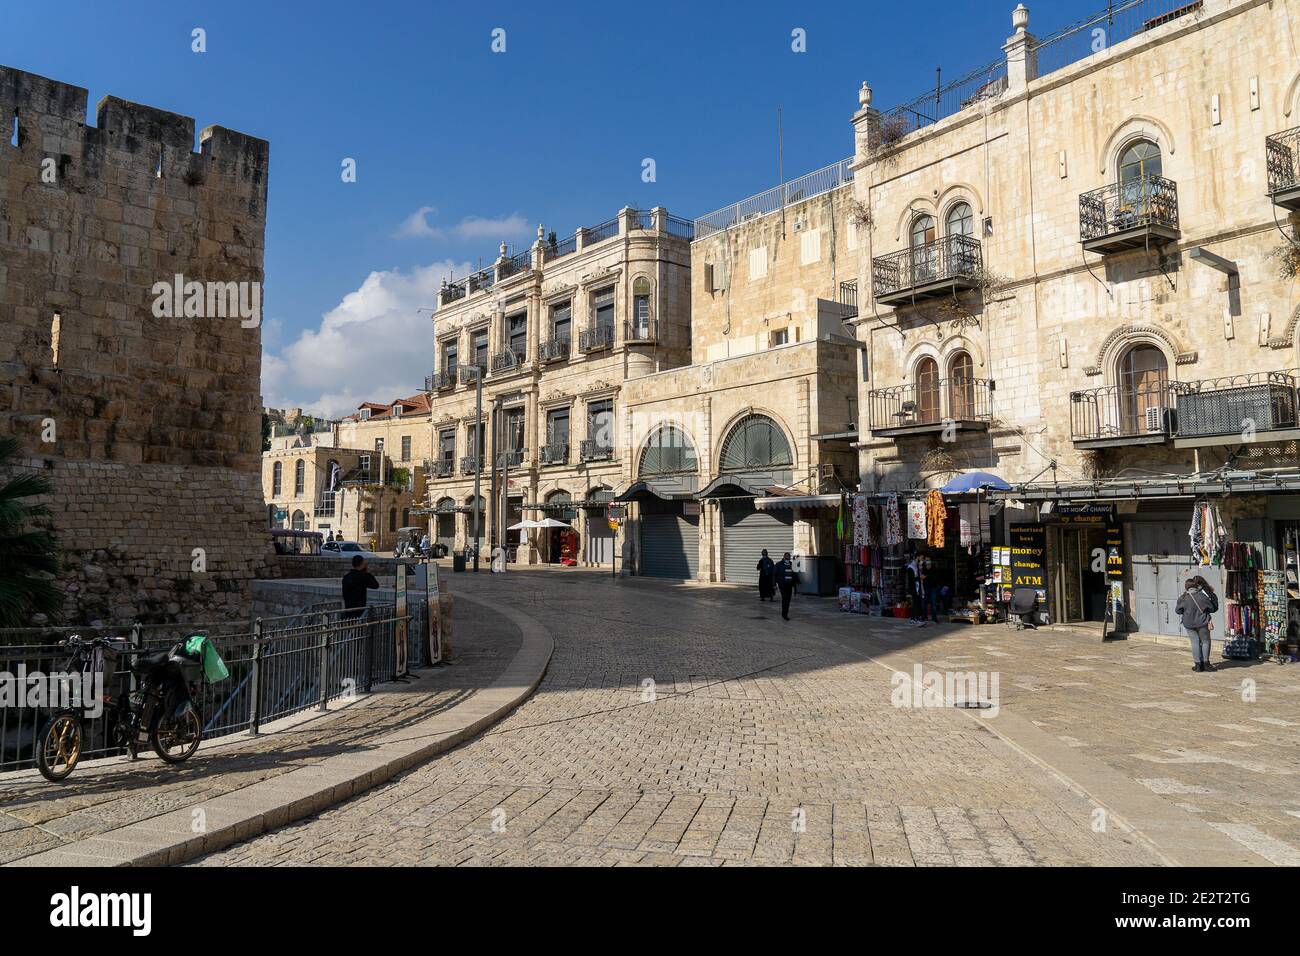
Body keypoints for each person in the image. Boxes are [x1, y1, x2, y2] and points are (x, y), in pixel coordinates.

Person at [1175, 576, 1218, 672]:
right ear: (1196, 586)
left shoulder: (1183, 598)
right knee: (1205, 641)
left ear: (1186, 587)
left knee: (1194, 642)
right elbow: (1211, 608)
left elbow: (1178, 611)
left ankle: (1198, 665)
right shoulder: (1202, 596)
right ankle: (1206, 663)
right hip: (1202, 622)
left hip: (1188, 624)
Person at [341, 554, 379, 620]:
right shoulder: (363, 576)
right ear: (362, 564)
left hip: (348, 610)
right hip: (360, 611)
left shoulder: (346, 577)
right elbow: (375, 585)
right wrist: (367, 571)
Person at [773, 552, 797, 621]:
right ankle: (784, 615)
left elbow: (794, 575)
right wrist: (774, 584)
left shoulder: (791, 564)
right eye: (787, 556)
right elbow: (774, 574)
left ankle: (785, 613)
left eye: (789, 556)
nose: (788, 557)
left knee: (788, 599)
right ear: (784, 557)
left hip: (789, 584)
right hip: (782, 584)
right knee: (784, 598)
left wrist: (795, 585)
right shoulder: (779, 564)